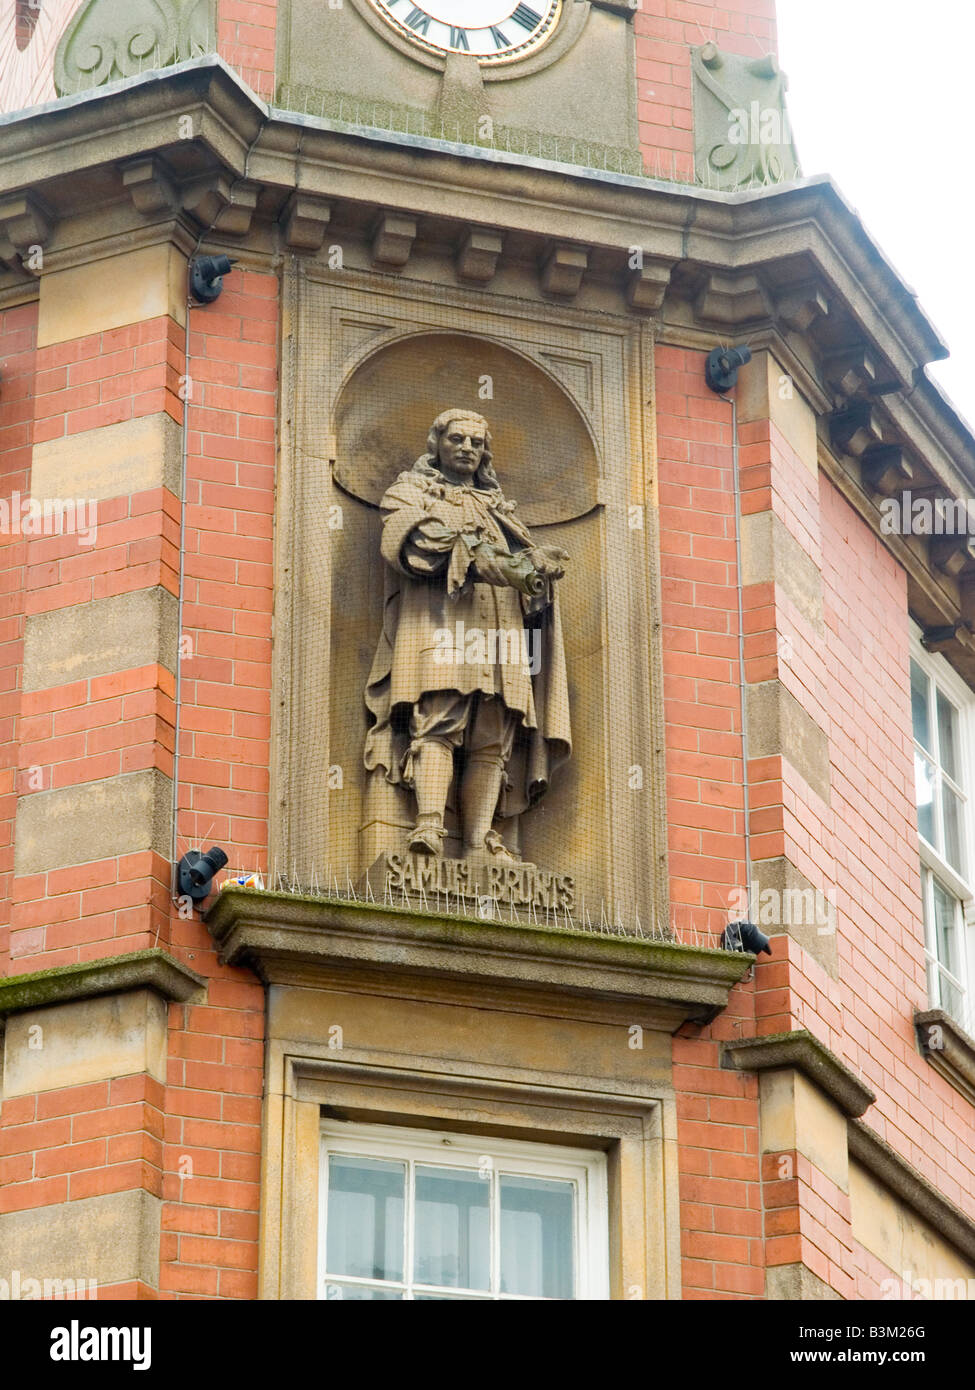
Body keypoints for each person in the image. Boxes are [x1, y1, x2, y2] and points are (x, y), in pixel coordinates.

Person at [364, 409, 571, 860]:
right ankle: (430, 827)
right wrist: (501, 562)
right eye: (457, 438)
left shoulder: (500, 510)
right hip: (440, 623)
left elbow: (523, 573)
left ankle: (479, 842)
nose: (467, 448)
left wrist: (538, 568)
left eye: (477, 443)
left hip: (500, 633)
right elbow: (417, 544)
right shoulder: (410, 493)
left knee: (493, 736)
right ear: (436, 443)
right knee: (438, 719)